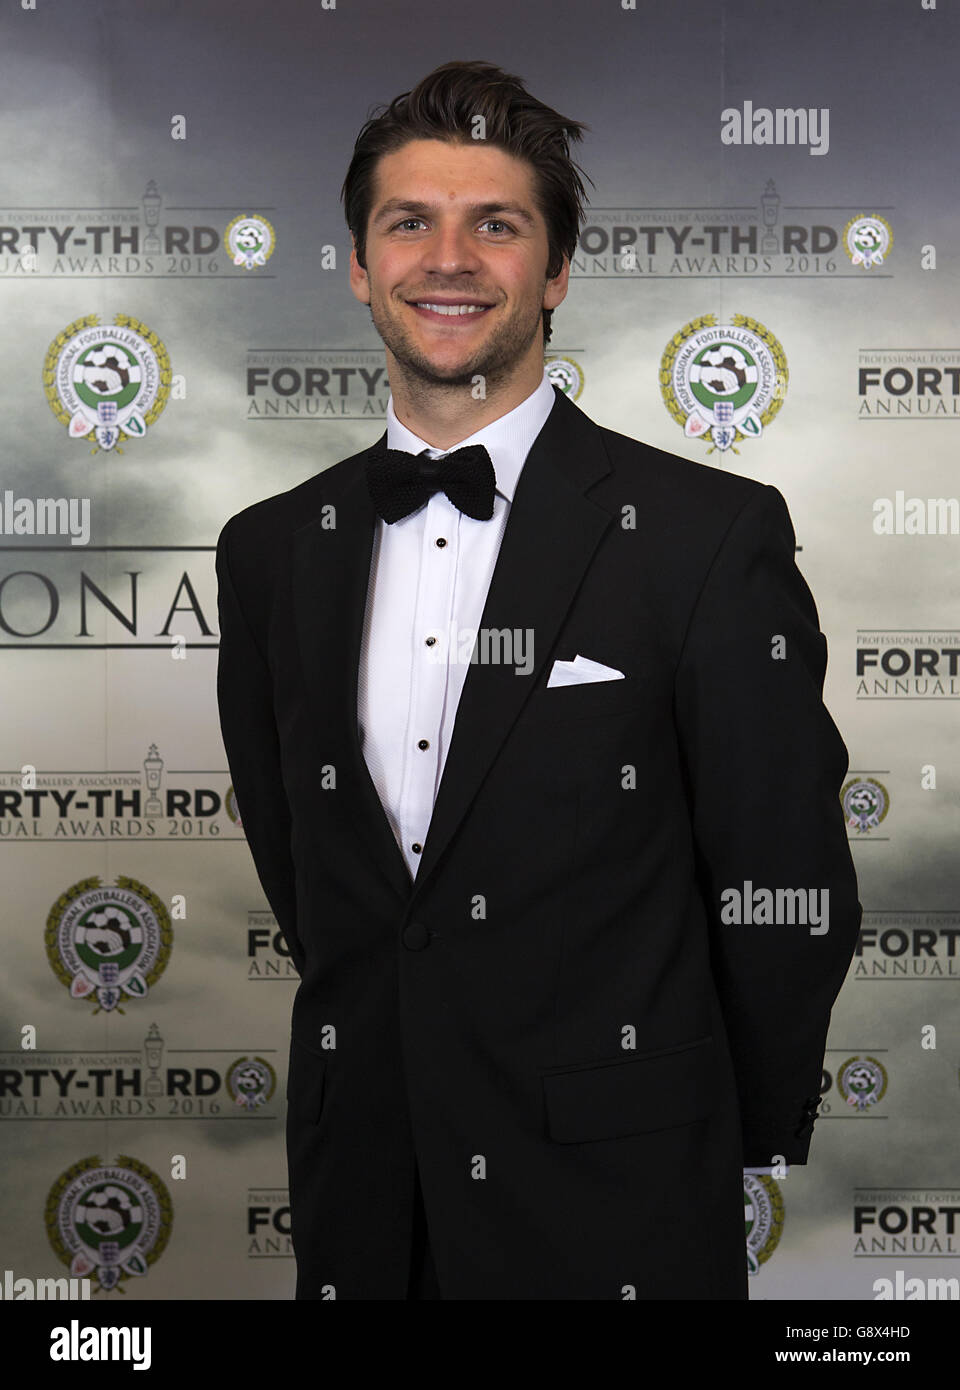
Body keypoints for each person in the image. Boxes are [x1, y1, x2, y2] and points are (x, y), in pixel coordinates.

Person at [216, 59, 862, 1300]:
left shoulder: (704, 534)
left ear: (555, 272)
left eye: (494, 225)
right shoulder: (271, 548)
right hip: (363, 1199)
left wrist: (719, 1127)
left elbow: (784, 878)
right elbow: (312, 877)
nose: (446, 258)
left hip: (621, 1205)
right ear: (359, 264)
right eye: (411, 222)